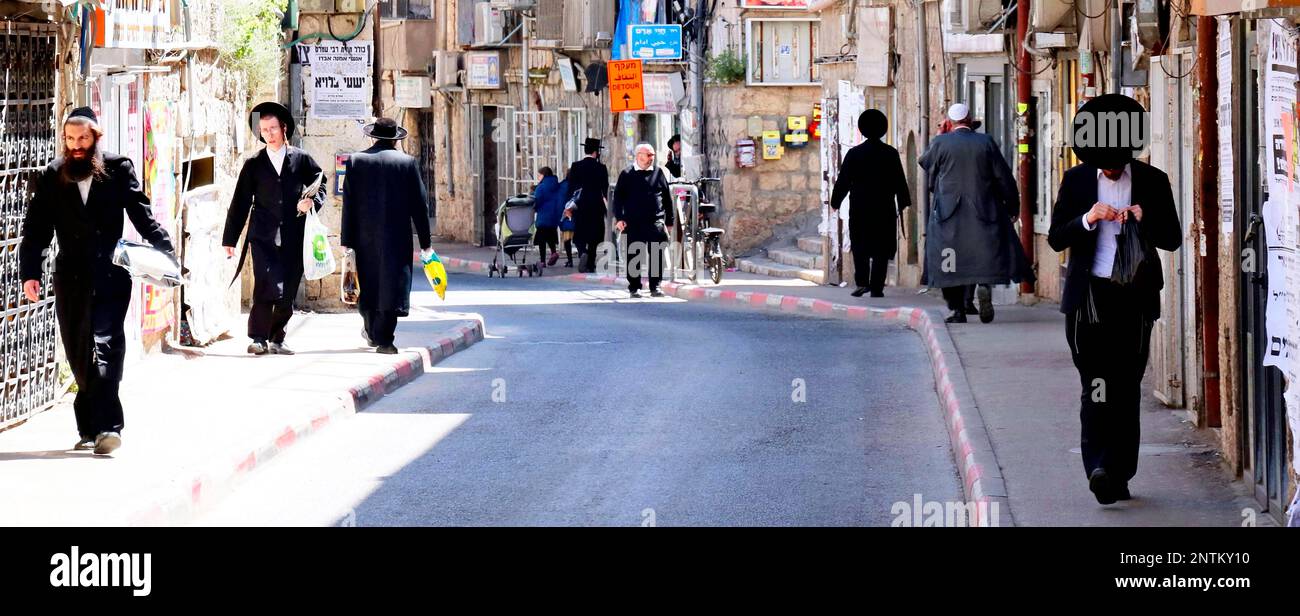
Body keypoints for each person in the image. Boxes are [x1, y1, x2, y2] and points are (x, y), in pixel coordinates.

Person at [1047, 94, 1182, 505]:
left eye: (1113, 162)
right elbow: (1056, 238)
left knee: (1126, 387)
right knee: (1096, 385)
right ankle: (1100, 467)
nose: (1107, 169)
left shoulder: (1153, 181)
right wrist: (1089, 218)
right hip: (1089, 299)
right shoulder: (1076, 181)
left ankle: (1121, 471)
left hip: (1134, 300)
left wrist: (1146, 218)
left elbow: (1172, 239)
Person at [19, 107, 175, 455]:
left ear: (95, 138)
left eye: (83, 138)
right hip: (70, 277)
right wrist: (30, 271)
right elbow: (36, 227)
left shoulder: (118, 169)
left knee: (106, 345)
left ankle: (108, 427)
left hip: (111, 273)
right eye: (71, 139)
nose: (76, 145)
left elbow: (141, 213)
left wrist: (166, 251)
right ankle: (88, 428)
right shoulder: (53, 175)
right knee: (78, 351)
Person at [222, 101, 327, 356]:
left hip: (295, 235)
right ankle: (258, 337)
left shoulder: (301, 159)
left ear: (284, 128)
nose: (268, 133)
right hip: (263, 236)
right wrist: (230, 240)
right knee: (266, 284)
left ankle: (277, 338)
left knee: (288, 290)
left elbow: (320, 183)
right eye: (264, 129)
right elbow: (239, 203)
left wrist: (311, 202)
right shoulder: (254, 164)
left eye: (273, 128)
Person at [919, 102, 1033, 323]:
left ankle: (958, 310)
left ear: (950, 122)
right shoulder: (985, 142)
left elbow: (925, 162)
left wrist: (939, 133)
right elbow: (1003, 177)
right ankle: (982, 286)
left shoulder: (941, 143)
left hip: (948, 216)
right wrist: (1012, 206)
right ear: (970, 119)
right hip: (984, 211)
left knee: (950, 262)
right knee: (981, 255)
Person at [339, 117, 434, 355]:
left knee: (368, 283)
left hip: (364, 237)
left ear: (373, 136)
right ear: (395, 140)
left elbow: (348, 205)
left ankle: (372, 331)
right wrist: (426, 243)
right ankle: (385, 340)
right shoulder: (408, 163)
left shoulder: (356, 161)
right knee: (393, 284)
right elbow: (420, 207)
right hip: (397, 237)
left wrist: (346, 241)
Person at [830, 110, 911, 298]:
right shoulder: (890, 153)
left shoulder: (854, 154)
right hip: (884, 208)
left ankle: (862, 282)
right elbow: (899, 180)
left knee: (860, 246)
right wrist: (904, 202)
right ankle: (876, 287)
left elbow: (843, 181)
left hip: (860, 208)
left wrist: (835, 201)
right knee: (882, 249)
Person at [612, 143, 675, 298]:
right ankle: (634, 287)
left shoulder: (658, 173)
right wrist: (619, 218)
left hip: (655, 221)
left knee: (656, 254)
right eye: (649, 155)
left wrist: (670, 221)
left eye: (653, 155)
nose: (651, 158)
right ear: (639, 155)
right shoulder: (627, 174)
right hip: (633, 222)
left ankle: (656, 286)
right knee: (634, 255)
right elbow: (618, 199)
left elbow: (667, 198)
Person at [564, 138, 610, 273]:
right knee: (595, 235)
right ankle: (590, 263)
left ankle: (582, 251)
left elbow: (570, 188)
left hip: (580, 205)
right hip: (596, 206)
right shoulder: (601, 168)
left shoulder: (576, 166)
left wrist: (568, 207)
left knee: (580, 234)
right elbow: (605, 189)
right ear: (596, 152)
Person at [532, 166, 566, 267]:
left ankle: (542, 261)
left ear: (544, 175)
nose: (538, 178)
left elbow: (537, 200)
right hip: (554, 216)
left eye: (539, 175)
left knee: (542, 239)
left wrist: (534, 208)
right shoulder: (556, 185)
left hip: (543, 216)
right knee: (551, 235)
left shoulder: (541, 187)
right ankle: (553, 252)